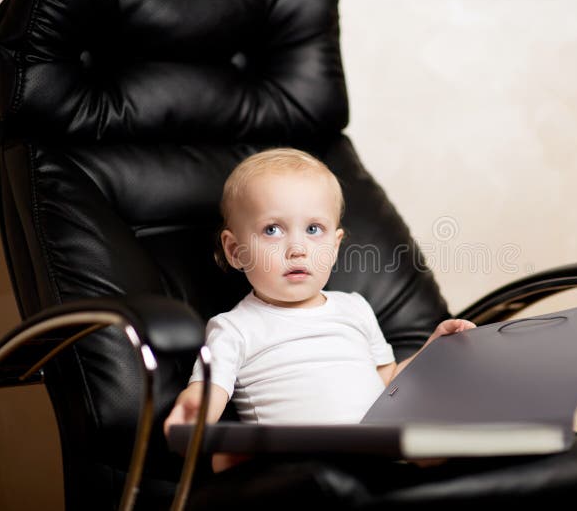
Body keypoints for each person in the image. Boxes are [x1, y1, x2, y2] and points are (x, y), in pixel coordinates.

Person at [163, 147, 475, 472]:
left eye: (314, 230)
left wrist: (434, 351)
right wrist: (193, 415)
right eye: (272, 229)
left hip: (379, 450)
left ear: (335, 245)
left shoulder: (354, 308)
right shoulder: (234, 327)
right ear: (235, 250)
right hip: (304, 464)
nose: (297, 249)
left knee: (448, 441)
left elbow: (388, 384)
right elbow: (208, 391)